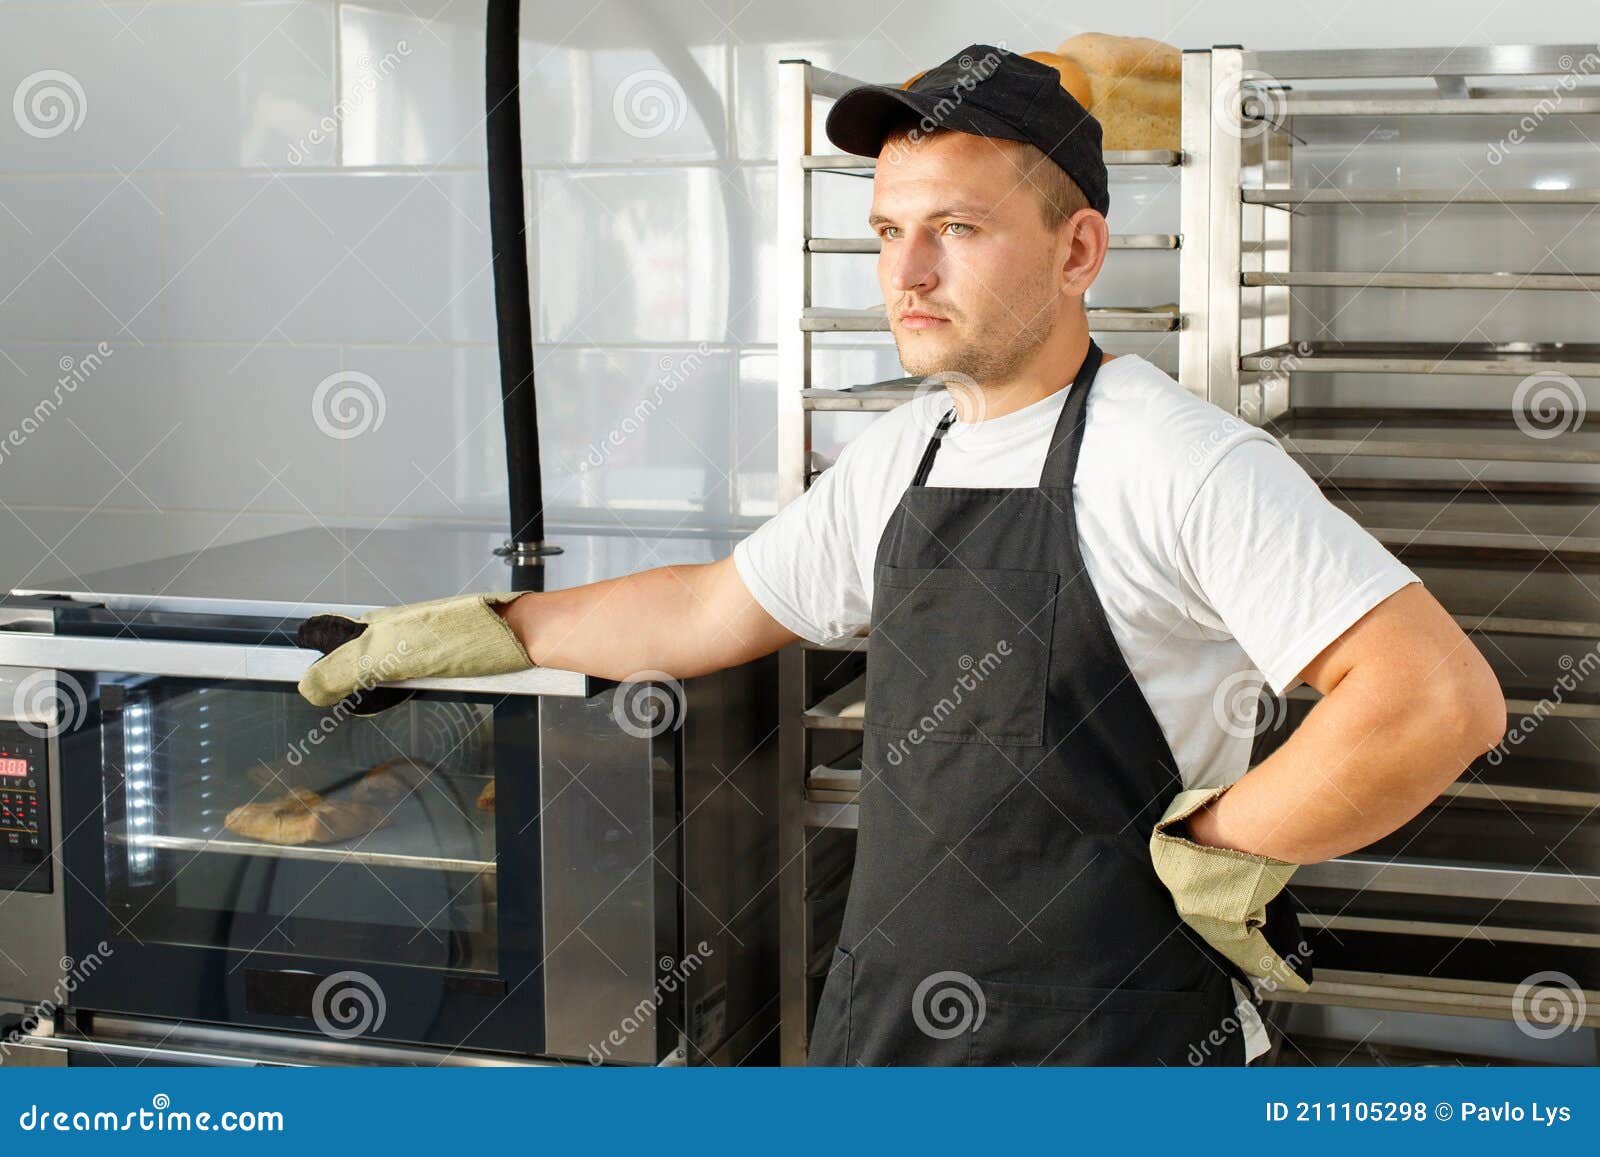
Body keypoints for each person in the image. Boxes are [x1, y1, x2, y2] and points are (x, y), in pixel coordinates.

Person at [296, 44, 1507, 1066]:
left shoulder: (1177, 457)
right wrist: (487, 627)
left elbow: (1432, 698)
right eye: (886, 230)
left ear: (1078, 251)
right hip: (890, 1021)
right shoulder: (908, 449)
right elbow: (712, 607)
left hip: (1111, 1040)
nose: (906, 274)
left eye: (955, 229)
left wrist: (1220, 847)